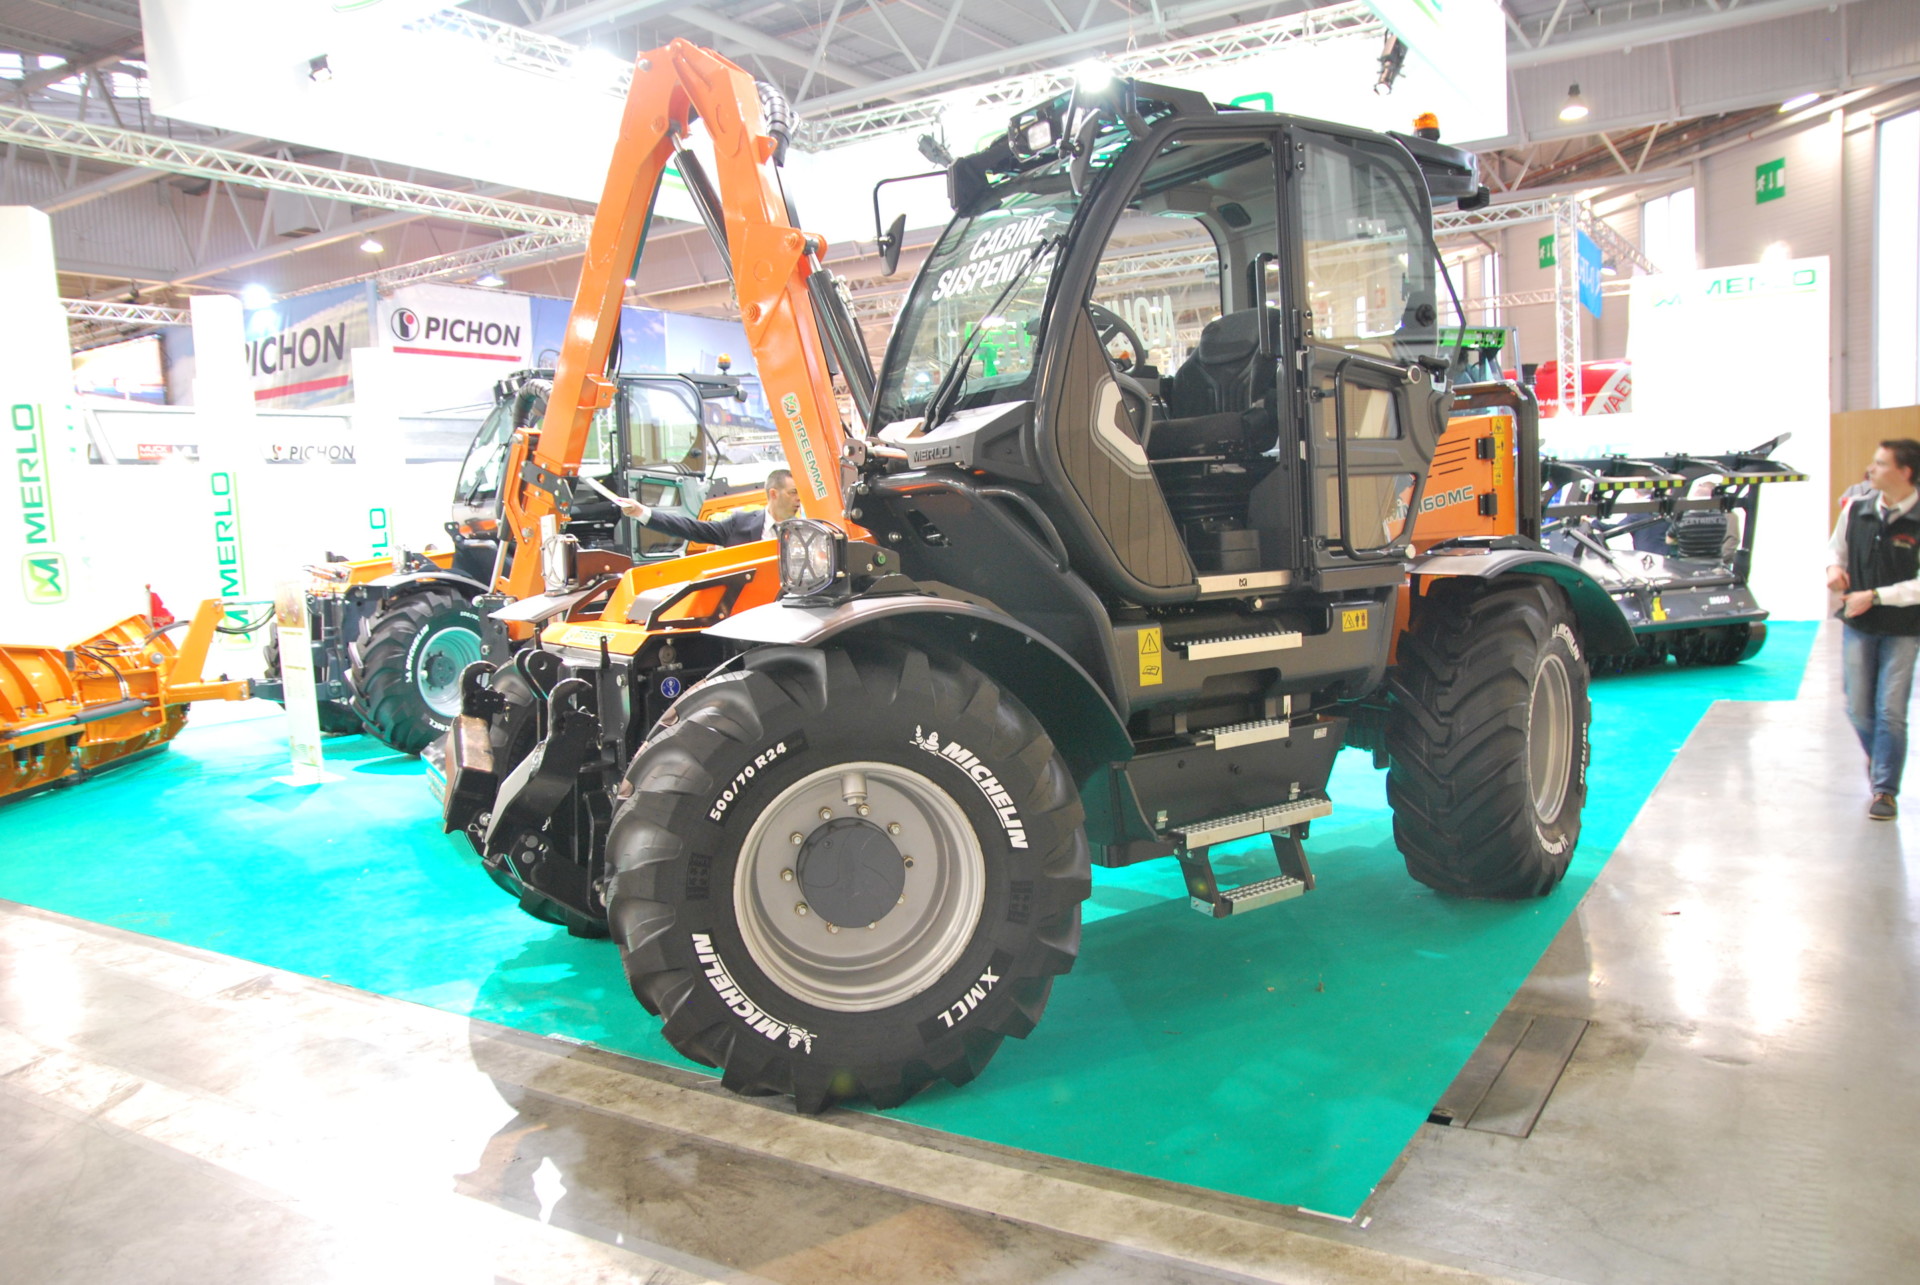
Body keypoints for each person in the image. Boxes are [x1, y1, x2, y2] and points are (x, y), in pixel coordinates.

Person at [1826, 439, 1920, 820]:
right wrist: (1833, 569)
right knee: (1859, 709)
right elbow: (1836, 549)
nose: (1871, 469)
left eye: (1880, 463)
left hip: (1904, 628)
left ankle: (1884, 790)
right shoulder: (1856, 508)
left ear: (1905, 472)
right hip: (1859, 624)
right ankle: (1883, 758)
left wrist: (1876, 596)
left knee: (1890, 710)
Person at [615, 467, 801, 547]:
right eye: (793, 492)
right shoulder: (739, 524)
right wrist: (642, 512)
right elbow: (691, 528)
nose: (799, 499)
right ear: (774, 494)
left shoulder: (808, 528)